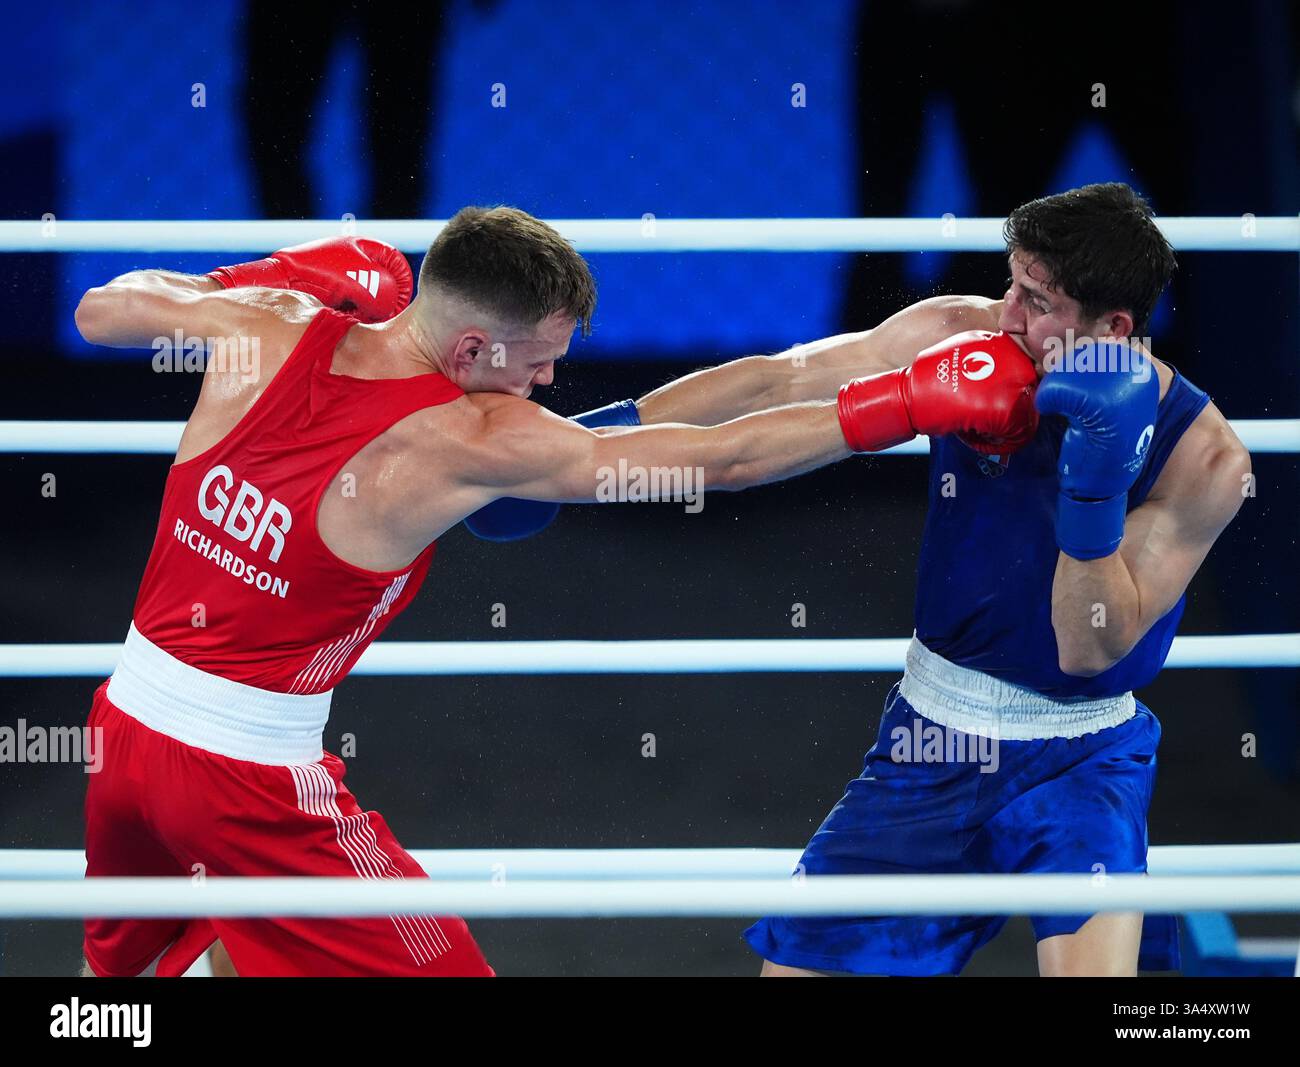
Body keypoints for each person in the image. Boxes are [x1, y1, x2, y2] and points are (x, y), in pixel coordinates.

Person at [73, 205, 1039, 976]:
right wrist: (904, 405)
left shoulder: (265, 326)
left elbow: (103, 309)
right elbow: (723, 461)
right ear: (467, 355)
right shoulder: (474, 440)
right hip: (250, 781)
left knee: (122, 995)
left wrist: (268, 278)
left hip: (121, 734)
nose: (549, 378)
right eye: (540, 361)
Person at [603, 183, 1250, 976]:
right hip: (933, 735)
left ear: (1113, 328)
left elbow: (1087, 648)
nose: (1007, 314)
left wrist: (1093, 491)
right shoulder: (959, 332)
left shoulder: (1204, 460)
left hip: (1085, 758)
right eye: (1012, 282)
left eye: (1037, 301)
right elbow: (778, 380)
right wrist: (591, 443)